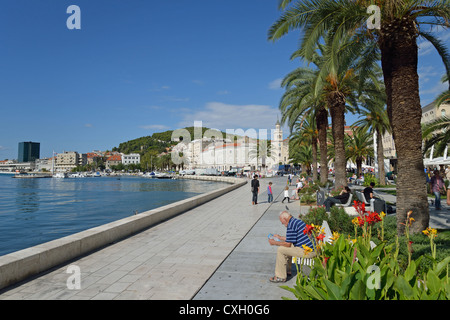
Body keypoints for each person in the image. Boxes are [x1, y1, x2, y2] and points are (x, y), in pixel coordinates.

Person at [268, 211, 315, 283]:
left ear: (284, 218)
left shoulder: (291, 225)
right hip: (311, 249)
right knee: (288, 247)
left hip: (308, 252)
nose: (282, 223)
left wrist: (274, 243)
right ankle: (288, 271)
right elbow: (292, 239)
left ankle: (280, 277)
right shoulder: (296, 221)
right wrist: (280, 237)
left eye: (282, 221)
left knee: (281, 250)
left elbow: (288, 244)